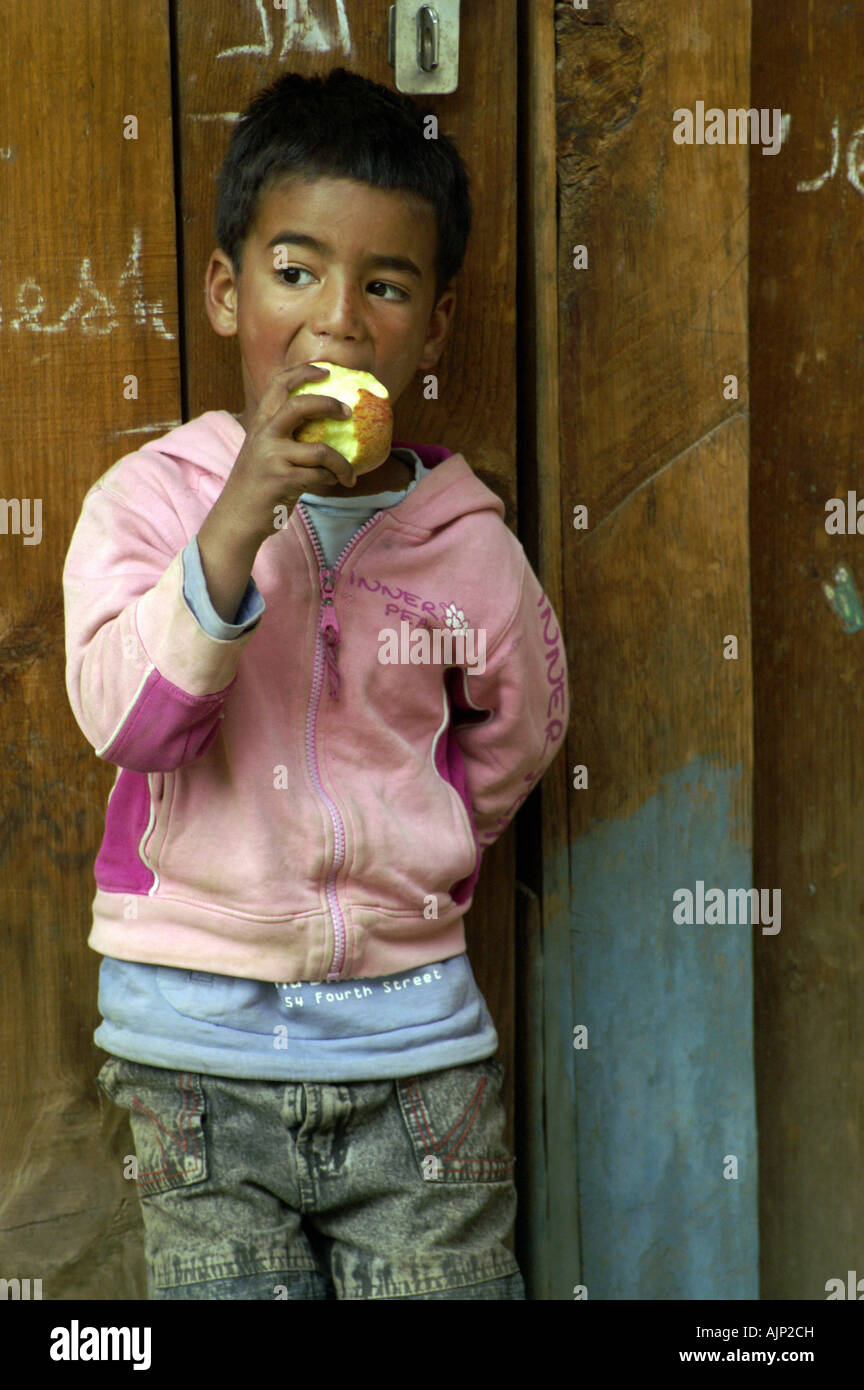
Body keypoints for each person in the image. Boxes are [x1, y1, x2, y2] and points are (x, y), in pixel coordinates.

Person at [63, 66, 569, 1301]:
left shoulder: (468, 545)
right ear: (230, 295)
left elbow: (520, 731)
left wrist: (429, 839)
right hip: (192, 1058)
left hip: (417, 1065)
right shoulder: (153, 505)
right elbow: (131, 725)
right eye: (296, 272)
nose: (340, 320)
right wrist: (237, 524)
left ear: (434, 326)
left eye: (384, 285)